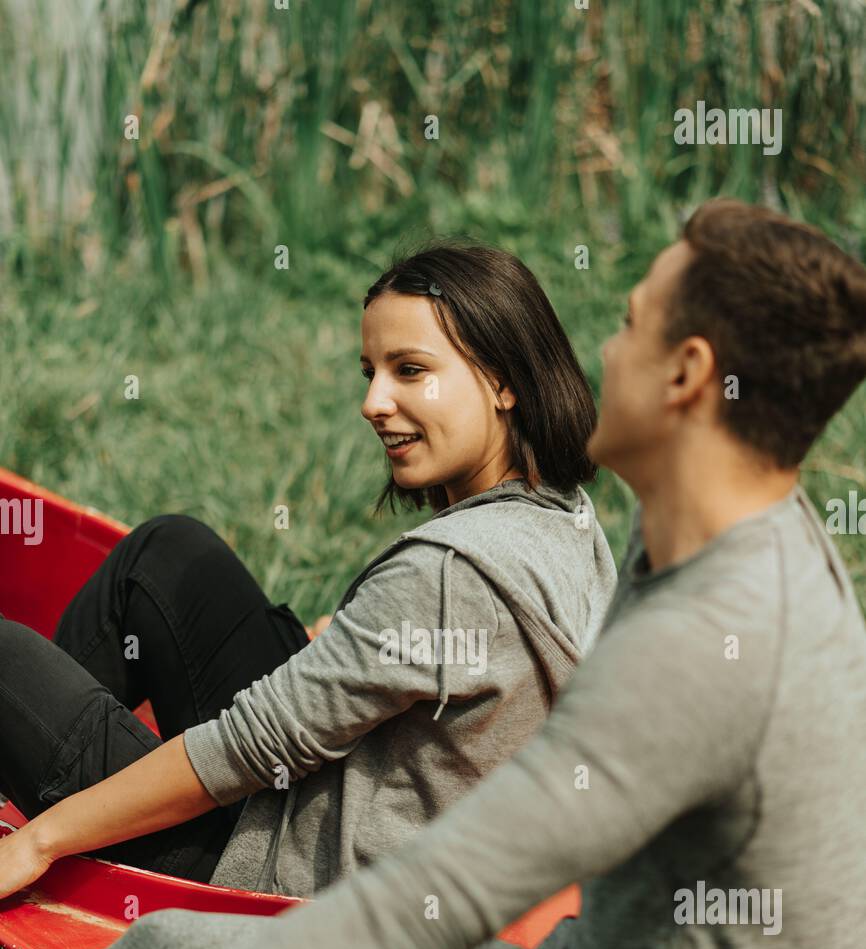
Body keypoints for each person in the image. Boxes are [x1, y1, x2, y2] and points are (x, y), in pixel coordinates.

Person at [3, 198, 866, 949]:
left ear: (687, 374)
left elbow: (448, 888)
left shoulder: (713, 643)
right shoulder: (703, 529)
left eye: (632, 322)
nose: (598, 346)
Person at [0, 243, 615, 897]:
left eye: (409, 370)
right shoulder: (564, 516)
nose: (374, 402)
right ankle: (31, 771)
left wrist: (46, 839)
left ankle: (34, 819)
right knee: (168, 557)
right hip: (351, 803)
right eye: (370, 371)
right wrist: (360, 643)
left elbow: (244, 746)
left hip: (269, 883)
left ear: (502, 381)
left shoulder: (442, 580)